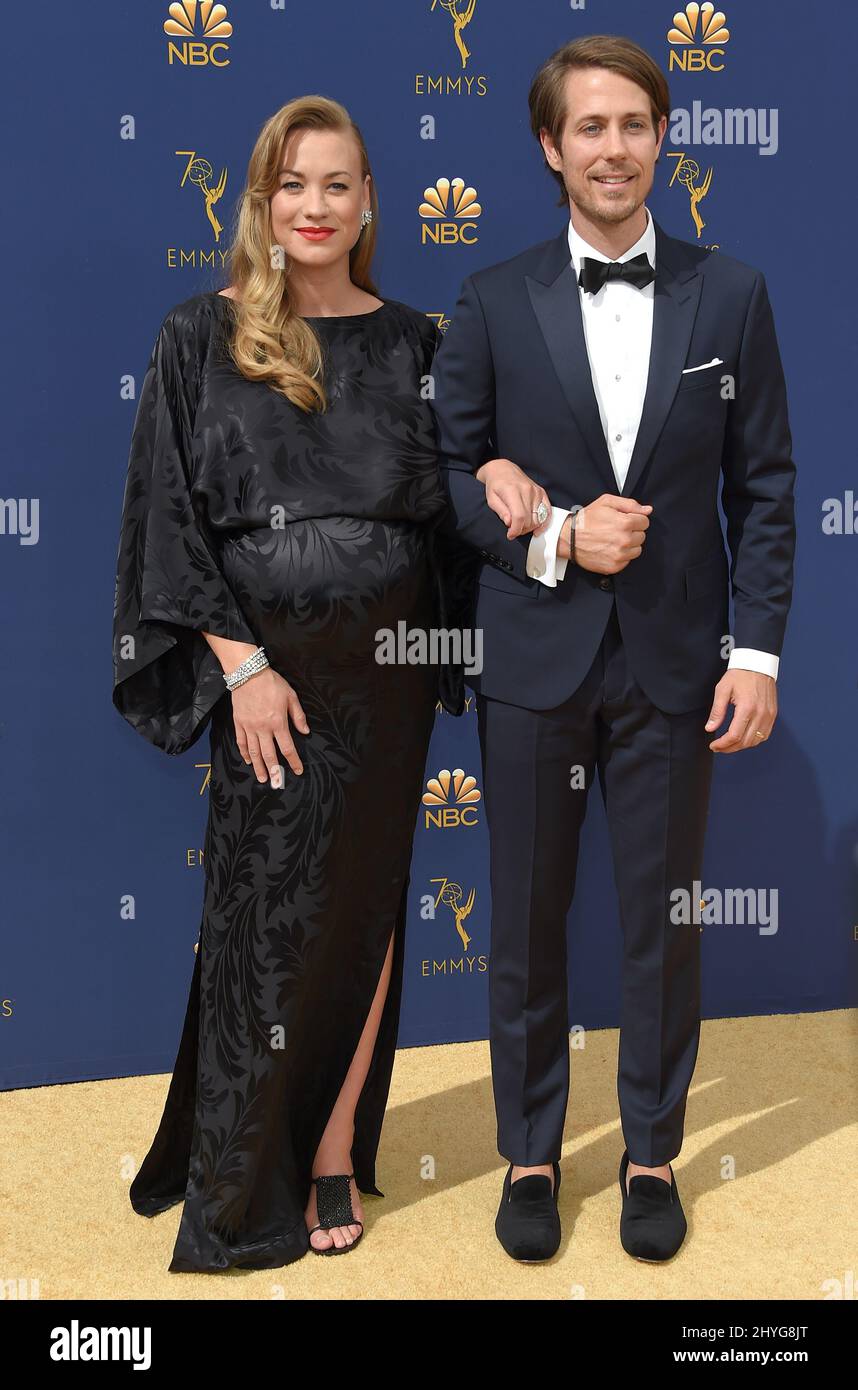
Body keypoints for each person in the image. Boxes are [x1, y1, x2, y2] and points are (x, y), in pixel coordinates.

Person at [431, 34, 796, 1262]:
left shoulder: (733, 295)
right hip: (533, 660)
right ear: (551, 147)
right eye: (589, 127)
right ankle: (529, 1155)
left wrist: (761, 654)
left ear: (663, 139)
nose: (614, 147)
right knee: (528, 926)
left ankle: (651, 1156)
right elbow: (451, 481)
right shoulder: (489, 299)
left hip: (676, 665)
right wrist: (556, 542)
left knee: (661, 924)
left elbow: (769, 490)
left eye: (635, 124)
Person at [112, 95, 464, 1271]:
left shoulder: (416, 341)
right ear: (261, 203)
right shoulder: (195, 337)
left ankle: (322, 1151)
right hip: (270, 686)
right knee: (263, 923)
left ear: (370, 202)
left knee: (363, 916)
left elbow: (457, 504)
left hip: (392, 684)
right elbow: (169, 523)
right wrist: (242, 665)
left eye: (339, 185)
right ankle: (236, 1170)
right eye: (293, 186)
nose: (316, 208)